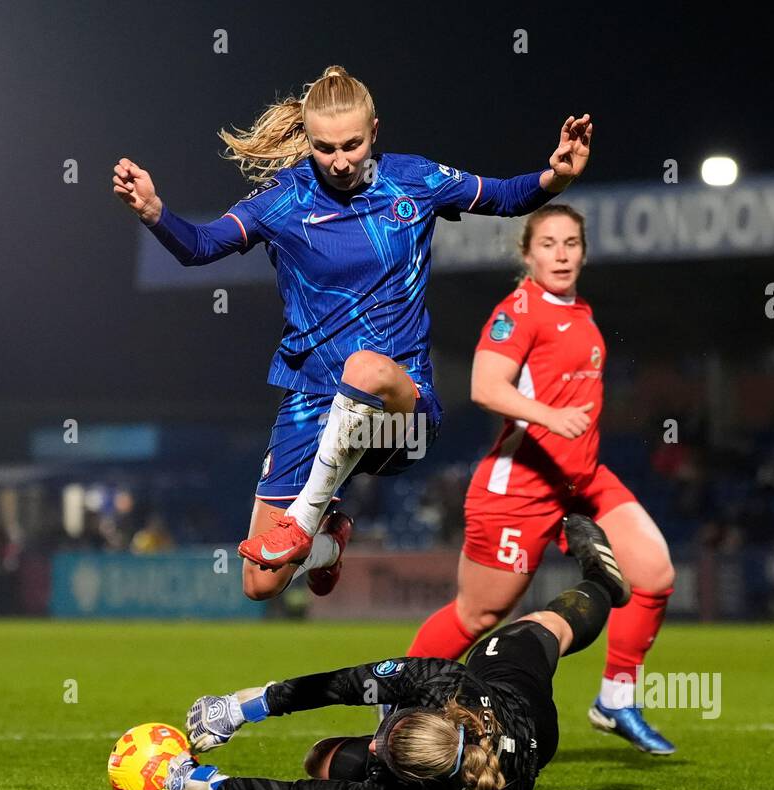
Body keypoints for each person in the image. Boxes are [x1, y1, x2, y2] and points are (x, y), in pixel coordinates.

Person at [114, 65, 593, 601]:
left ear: (375, 131)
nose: (340, 161)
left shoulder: (413, 180)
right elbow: (202, 247)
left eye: (352, 144)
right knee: (259, 583)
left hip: (399, 414)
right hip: (309, 403)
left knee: (362, 366)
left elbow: (504, 196)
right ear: (308, 141)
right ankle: (327, 544)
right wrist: (156, 213)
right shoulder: (283, 200)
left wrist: (556, 178)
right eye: (324, 148)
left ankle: (306, 519)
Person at [404, 205, 678, 754]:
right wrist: (550, 418)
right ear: (527, 254)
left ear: (583, 251)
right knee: (479, 613)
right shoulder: (518, 311)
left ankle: (616, 701)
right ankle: (402, 700)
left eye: (571, 242)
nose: (561, 253)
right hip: (520, 485)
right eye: (548, 243)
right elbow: (485, 385)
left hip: (582, 478)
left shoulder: (580, 312)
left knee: (654, 573)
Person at [163, 514, 629, 790]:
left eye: (381, 754)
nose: (372, 750)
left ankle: (602, 582)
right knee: (547, 628)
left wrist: (212, 788)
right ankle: (603, 583)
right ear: (429, 711)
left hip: (528, 748)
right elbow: (345, 686)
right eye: (383, 743)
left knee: (318, 760)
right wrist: (251, 707)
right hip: (518, 707)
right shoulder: (447, 683)